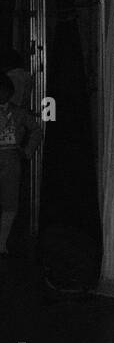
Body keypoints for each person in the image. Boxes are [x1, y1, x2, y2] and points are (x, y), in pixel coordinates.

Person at [0, 72, 43, 257]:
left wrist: (26, 151)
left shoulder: (18, 112)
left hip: (11, 159)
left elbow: (36, 130)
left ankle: (1, 243)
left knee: (10, 204)